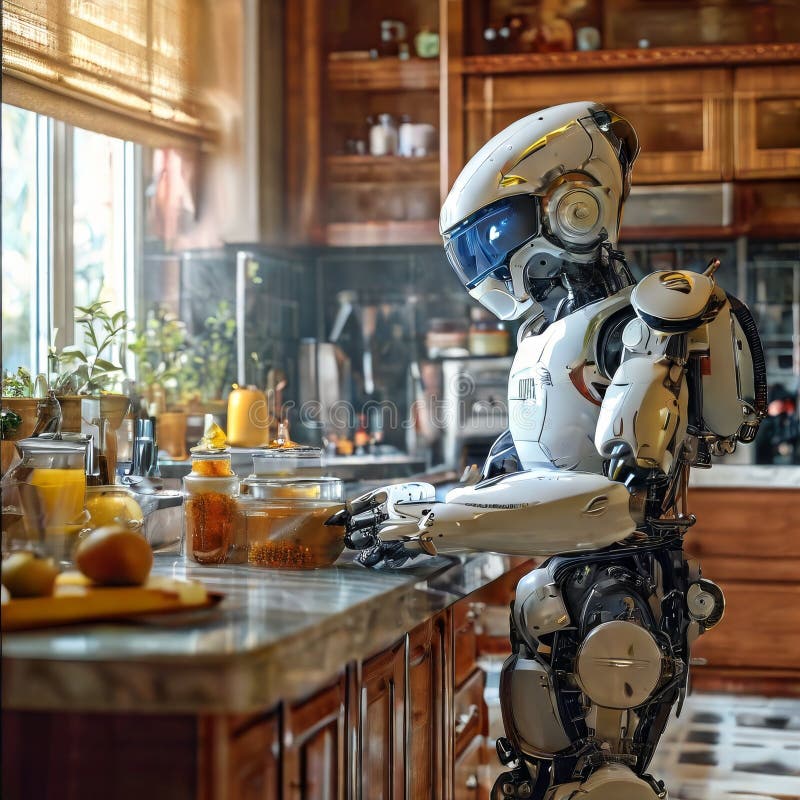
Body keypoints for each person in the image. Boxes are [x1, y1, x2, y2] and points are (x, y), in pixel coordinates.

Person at [333, 101, 767, 799]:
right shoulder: (554, 334)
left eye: (495, 233)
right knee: (550, 763)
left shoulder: (643, 325)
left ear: (572, 205)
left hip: (619, 592)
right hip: (575, 584)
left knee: (599, 778)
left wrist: (432, 520)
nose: (488, 260)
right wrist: (429, 505)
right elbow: (529, 474)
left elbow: (613, 504)